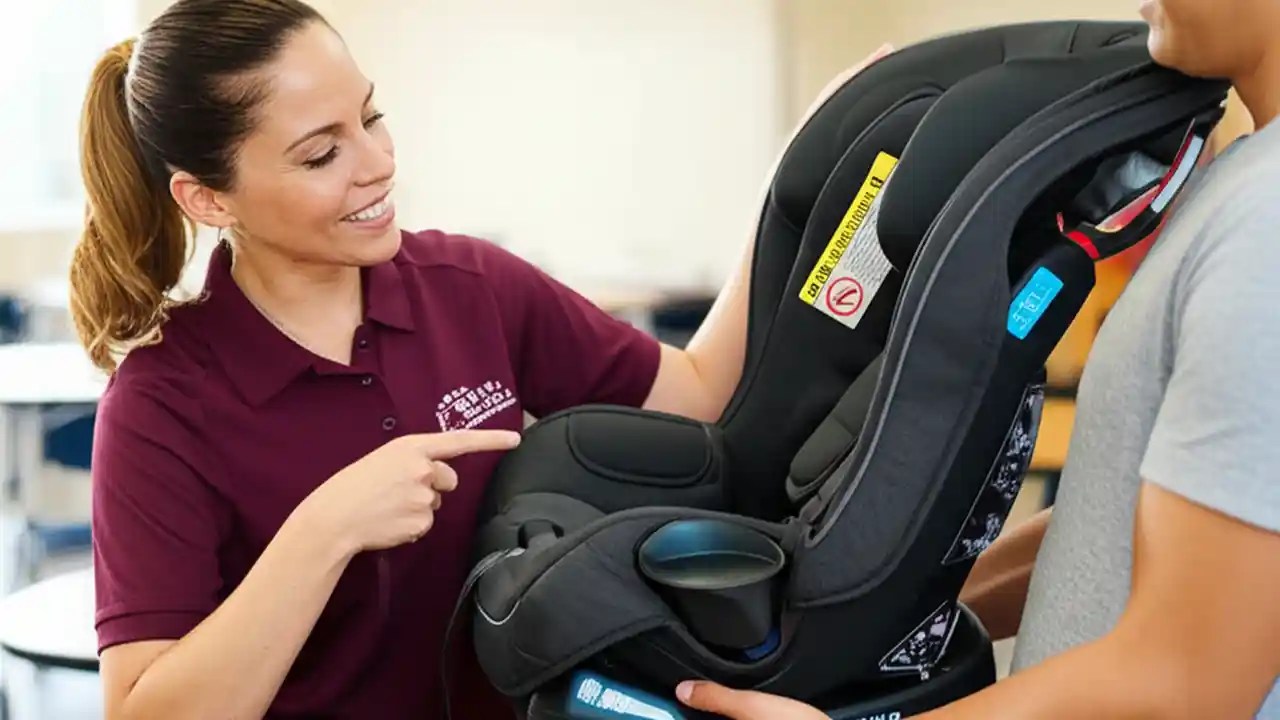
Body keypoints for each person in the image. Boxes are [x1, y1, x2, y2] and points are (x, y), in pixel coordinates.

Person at [72, 1, 891, 718]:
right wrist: (324, 531)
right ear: (207, 198)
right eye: (322, 154)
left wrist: (804, 171)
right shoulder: (162, 404)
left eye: (372, 116)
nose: (378, 162)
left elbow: (703, 394)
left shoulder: (469, 287)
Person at [676, 0, 1280, 718]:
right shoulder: (1242, 187)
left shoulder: (1265, 224)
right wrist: (863, 622)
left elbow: (1187, 682)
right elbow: (1144, 536)